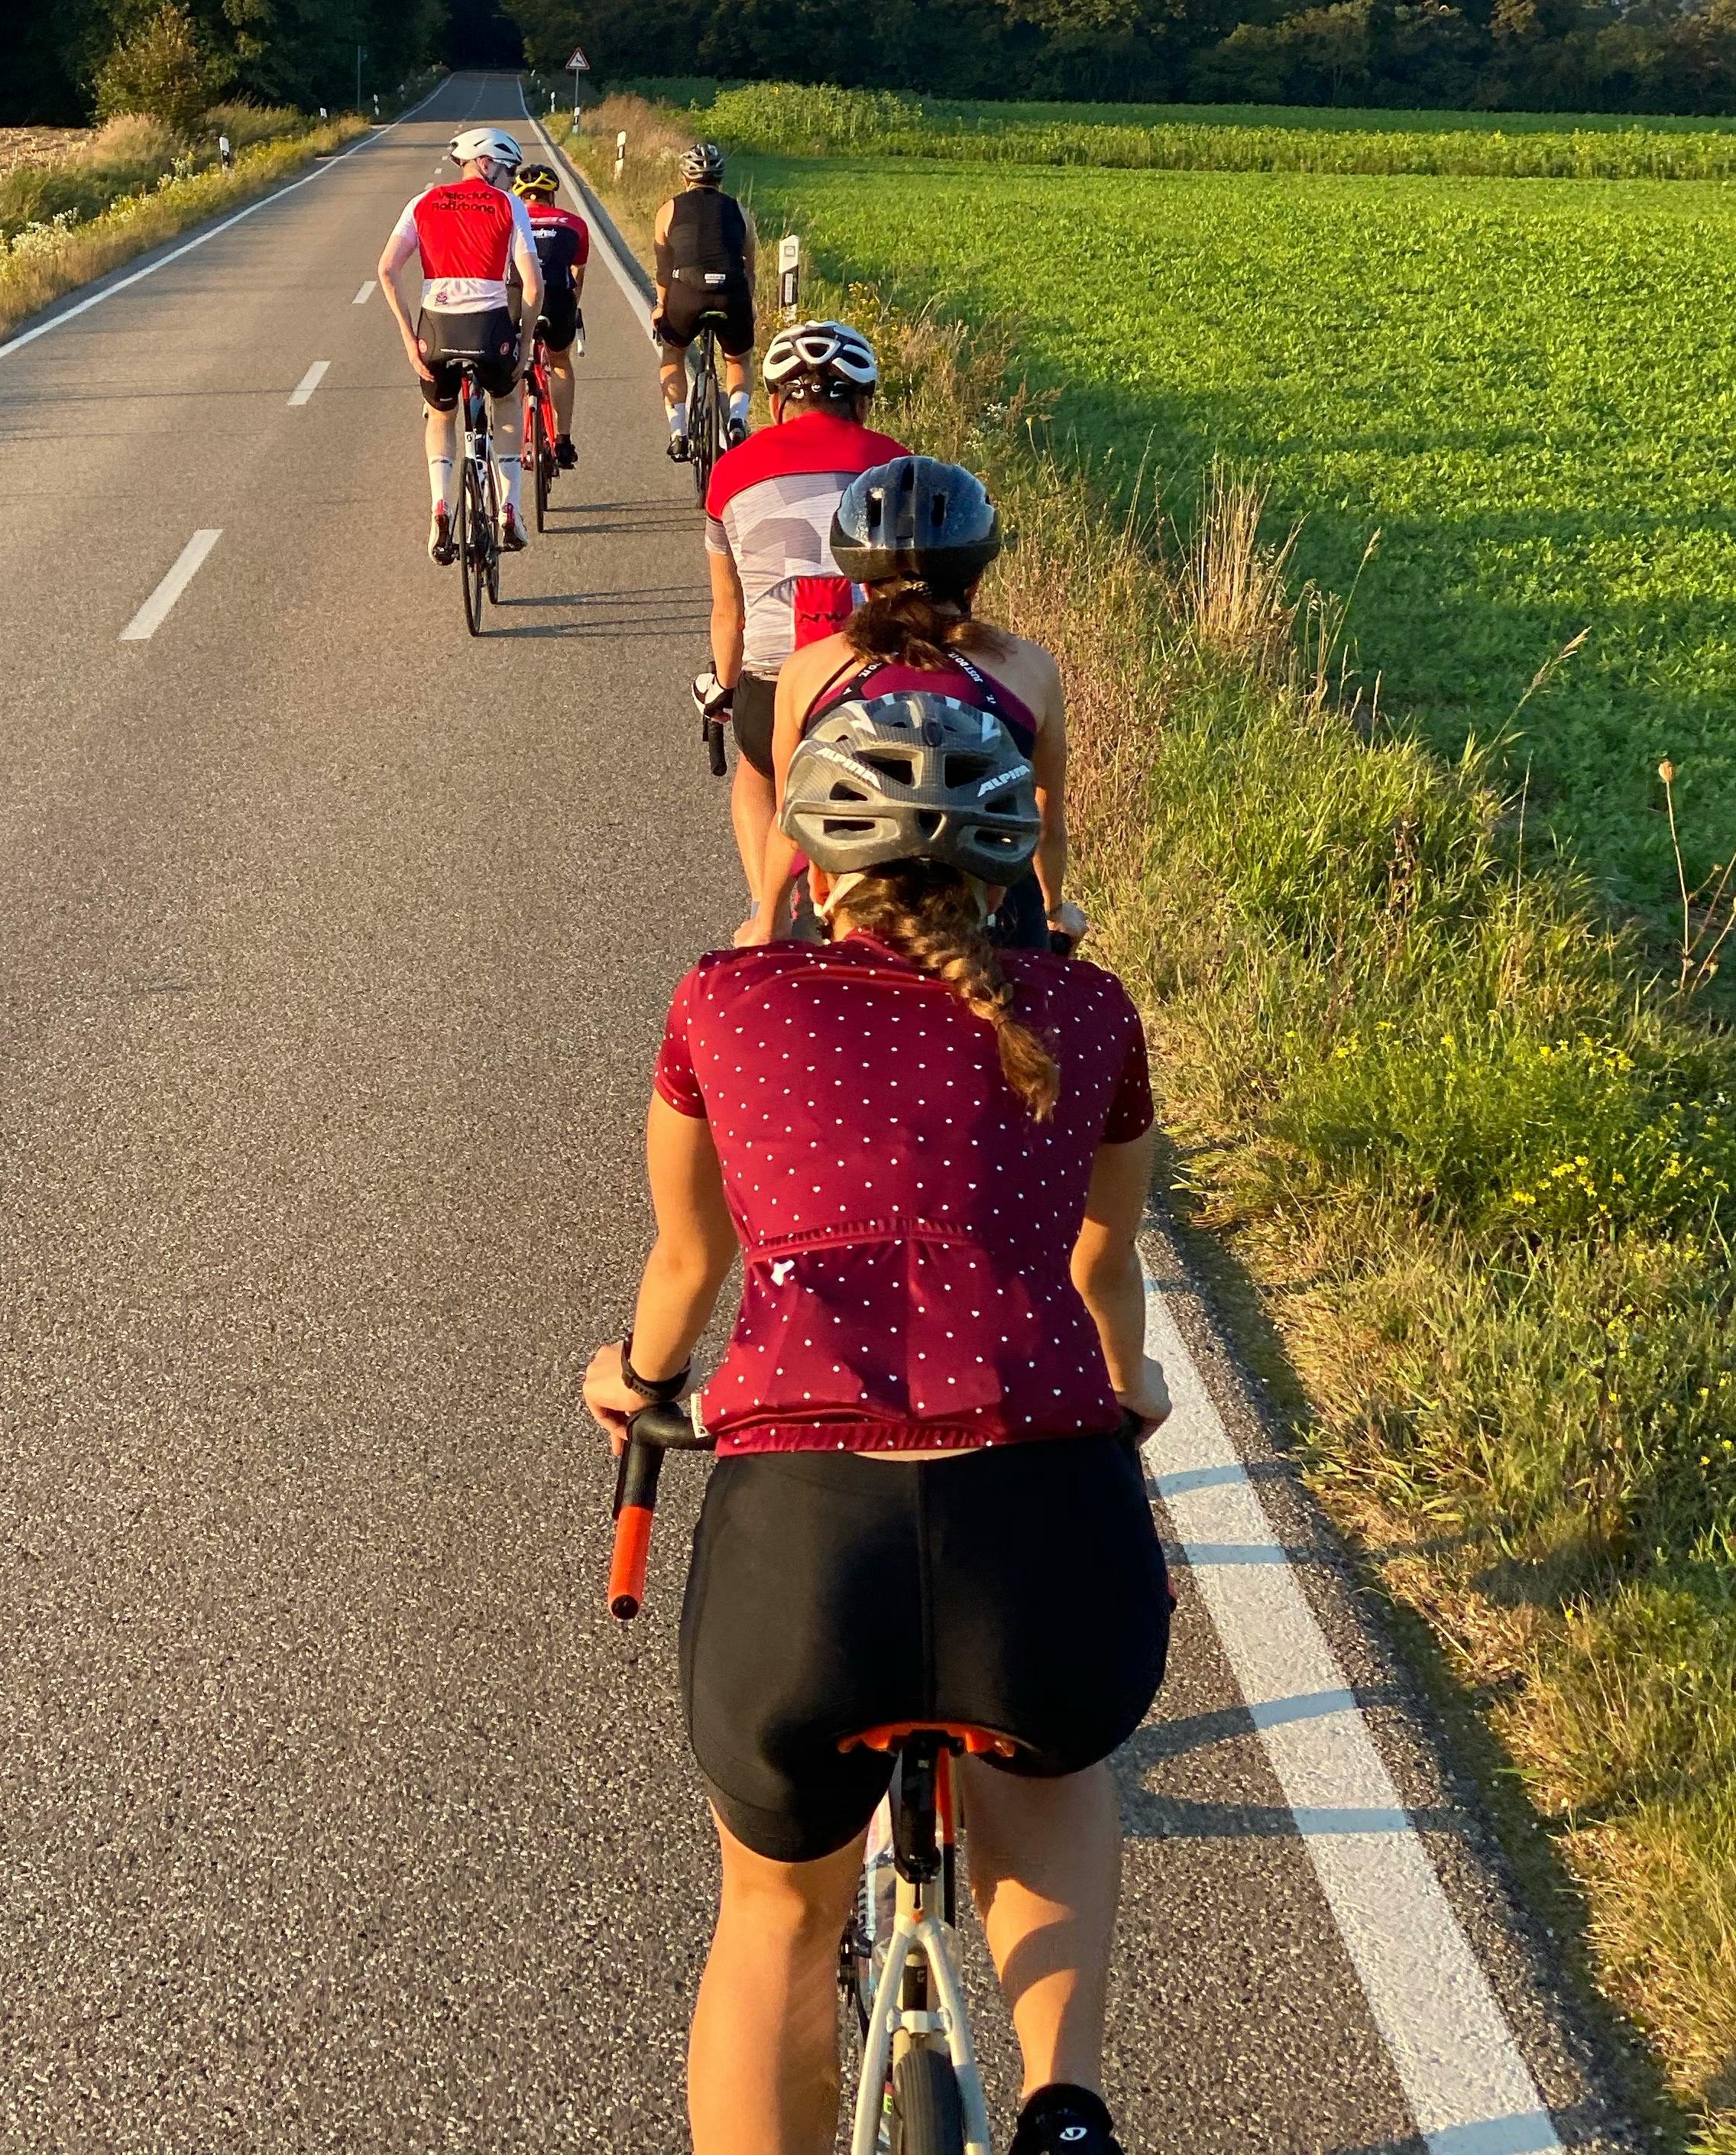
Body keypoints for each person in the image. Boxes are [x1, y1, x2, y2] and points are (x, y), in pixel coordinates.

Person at [584, 693, 1171, 2155]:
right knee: (1051, 1781)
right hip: (1042, 1521)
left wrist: (634, 1379)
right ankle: (1064, 2112)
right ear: (1007, 865)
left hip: (805, 1547)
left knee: (773, 1915)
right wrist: (1128, 1382)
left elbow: (682, 1265)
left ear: (812, 863)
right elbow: (1104, 1262)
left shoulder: (722, 1001)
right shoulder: (1087, 1014)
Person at [742, 455, 1078, 954]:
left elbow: (792, 818)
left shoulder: (812, 670)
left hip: (859, 910)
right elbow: (1045, 818)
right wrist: (1053, 909)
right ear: (974, 581)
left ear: (861, 582)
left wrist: (766, 925)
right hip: (996, 909)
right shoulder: (1029, 668)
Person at [695, 322, 909, 907]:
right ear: (862, 402)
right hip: (872, 680)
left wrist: (724, 684)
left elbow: (728, 611)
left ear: (775, 403)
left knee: (756, 771)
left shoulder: (731, 471)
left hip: (772, 681)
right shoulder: (898, 463)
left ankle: (772, 915)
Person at [376, 125, 546, 562]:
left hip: (436, 330)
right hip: (489, 329)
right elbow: (533, 284)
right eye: (507, 170)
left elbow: (387, 269)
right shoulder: (509, 204)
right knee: (508, 400)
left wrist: (408, 337)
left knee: (440, 415)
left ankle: (440, 507)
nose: (510, 180)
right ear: (486, 163)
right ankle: (510, 509)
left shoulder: (422, 202)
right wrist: (524, 343)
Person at [653, 141, 759, 459]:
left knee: (673, 355)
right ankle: (737, 420)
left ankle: (679, 433)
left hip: (687, 293)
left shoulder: (668, 210)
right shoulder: (740, 210)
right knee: (738, 359)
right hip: (731, 293)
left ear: (686, 179)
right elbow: (749, 267)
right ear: (720, 180)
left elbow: (663, 268)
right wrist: (747, 305)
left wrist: (661, 306)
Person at [513, 159, 588, 470]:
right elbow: (576, 272)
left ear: (520, 197)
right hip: (557, 300)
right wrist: (572, 305)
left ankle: (518, 441)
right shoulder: (574, 224)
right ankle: (564, 440)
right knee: (560, 361)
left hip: (519, 299)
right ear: (552, 196)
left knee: (516, 364)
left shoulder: (509, 222)